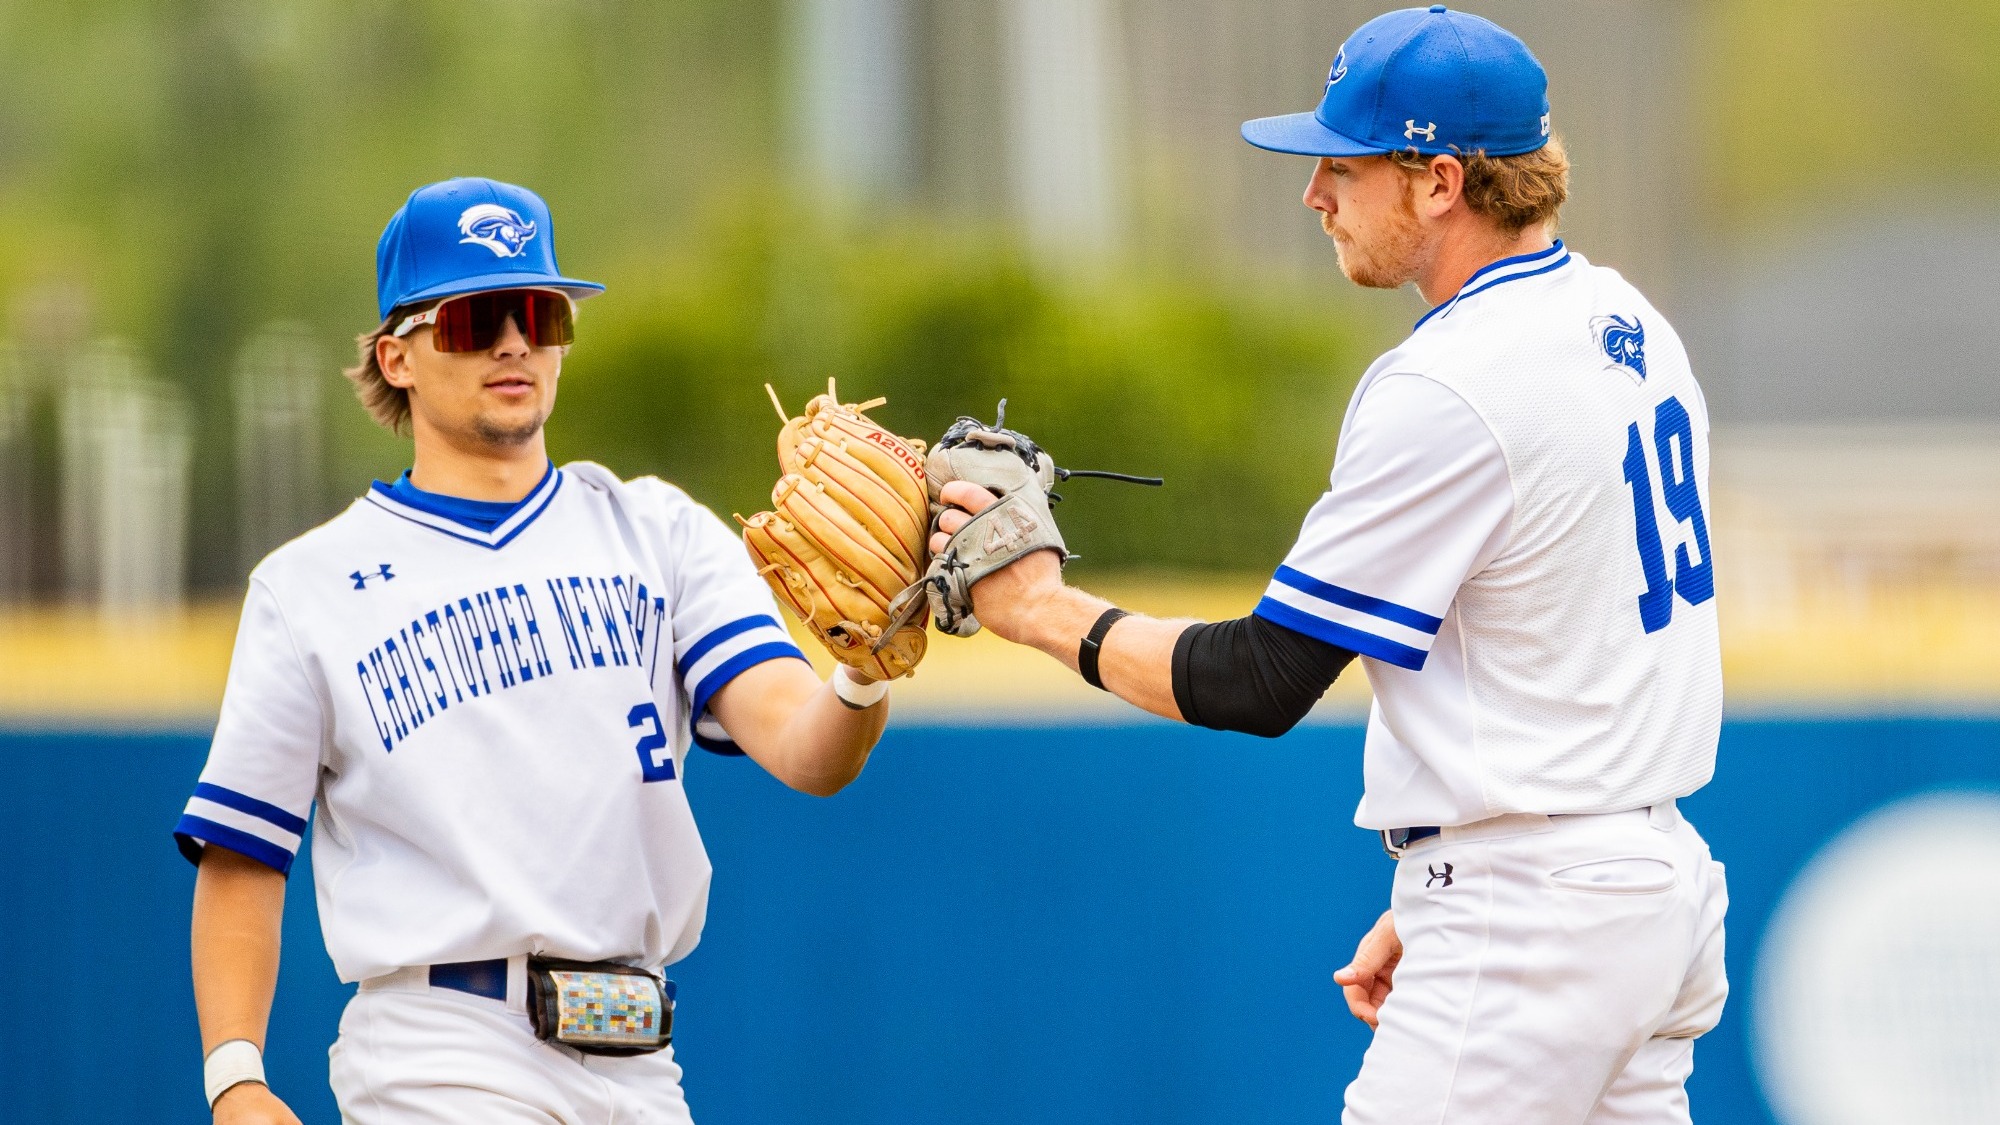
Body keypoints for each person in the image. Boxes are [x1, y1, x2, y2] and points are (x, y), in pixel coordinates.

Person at [924, 7, 1729, 1122]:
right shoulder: (1621, 318)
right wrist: (1458, 868)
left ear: (1438, 179)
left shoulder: (1449, 383)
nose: (1314, 195)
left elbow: (1257, 679)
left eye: (1342, 167)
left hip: (1538, 909)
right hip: (1646, 886)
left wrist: (1039, 610)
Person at [176, 176, 896, 1124]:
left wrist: (864, 666)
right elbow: (242, 852)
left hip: (641, 1062)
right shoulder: (309, 586)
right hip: (440, 1054)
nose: (516, 340)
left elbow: (809, 753)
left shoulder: (661, 532)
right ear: (397, 354)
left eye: (540, 312)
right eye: (477, 318)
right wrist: (236, 1076)